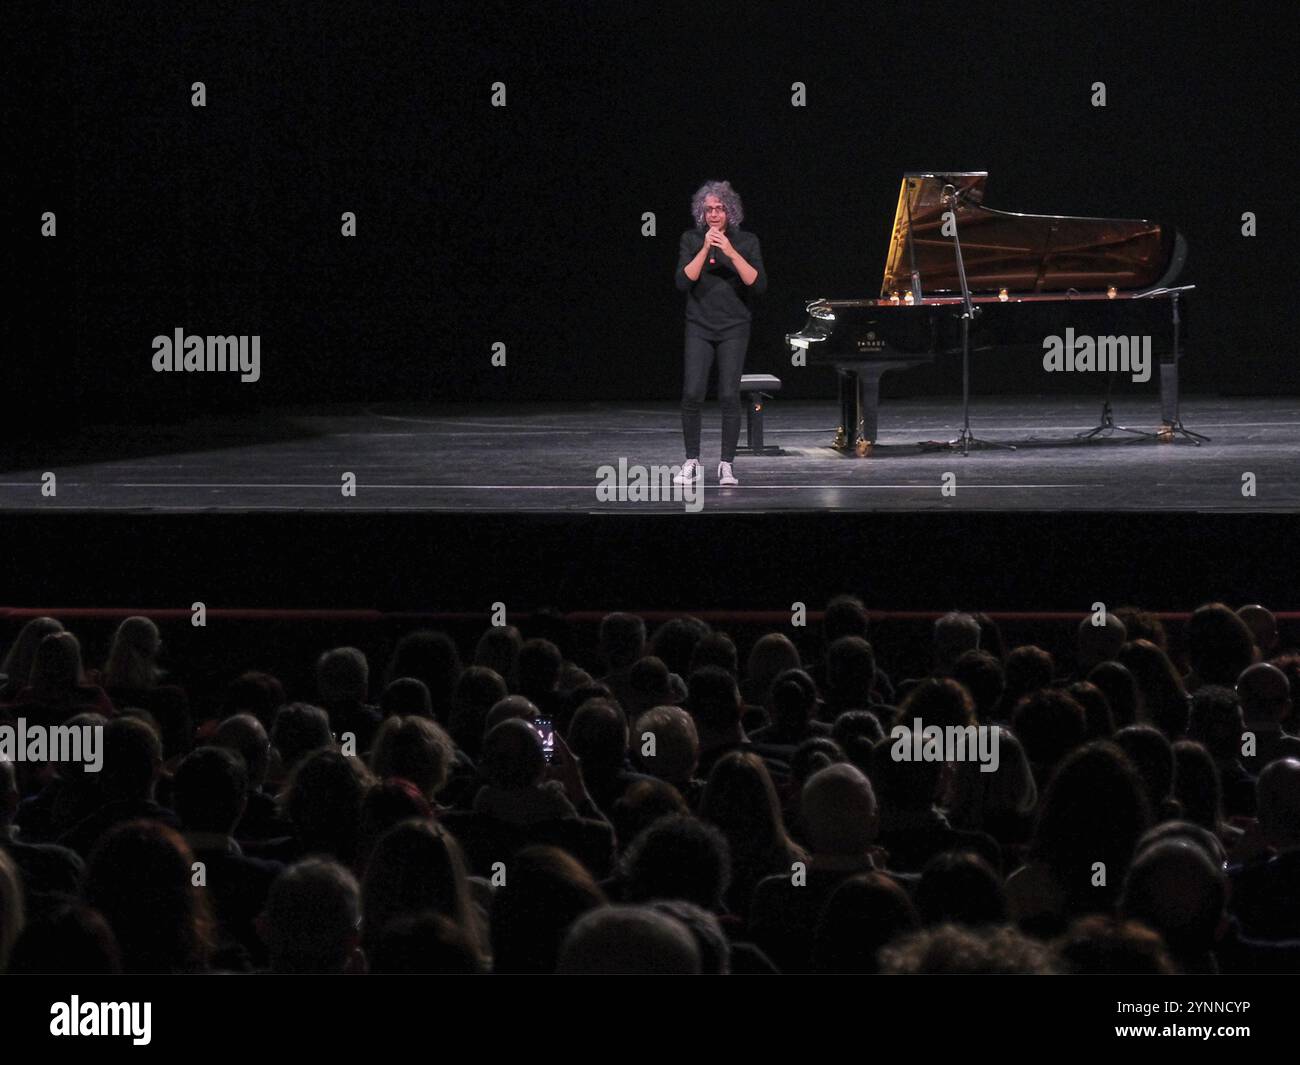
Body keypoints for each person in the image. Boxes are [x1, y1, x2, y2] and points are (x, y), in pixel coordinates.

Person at [673, 180, 766, 488]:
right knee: (692, 393)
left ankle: (726, 464)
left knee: (728, 395)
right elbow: (684, 282)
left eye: (719, 209)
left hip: (734, 328)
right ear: (702, 212)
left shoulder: (747, 241)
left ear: (730, 211)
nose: (714, 214)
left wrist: (728, 250)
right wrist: (705, 248)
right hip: (699, 325)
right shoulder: (690, 239)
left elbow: (758, 284)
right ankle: (691, 461)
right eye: (708, 209)